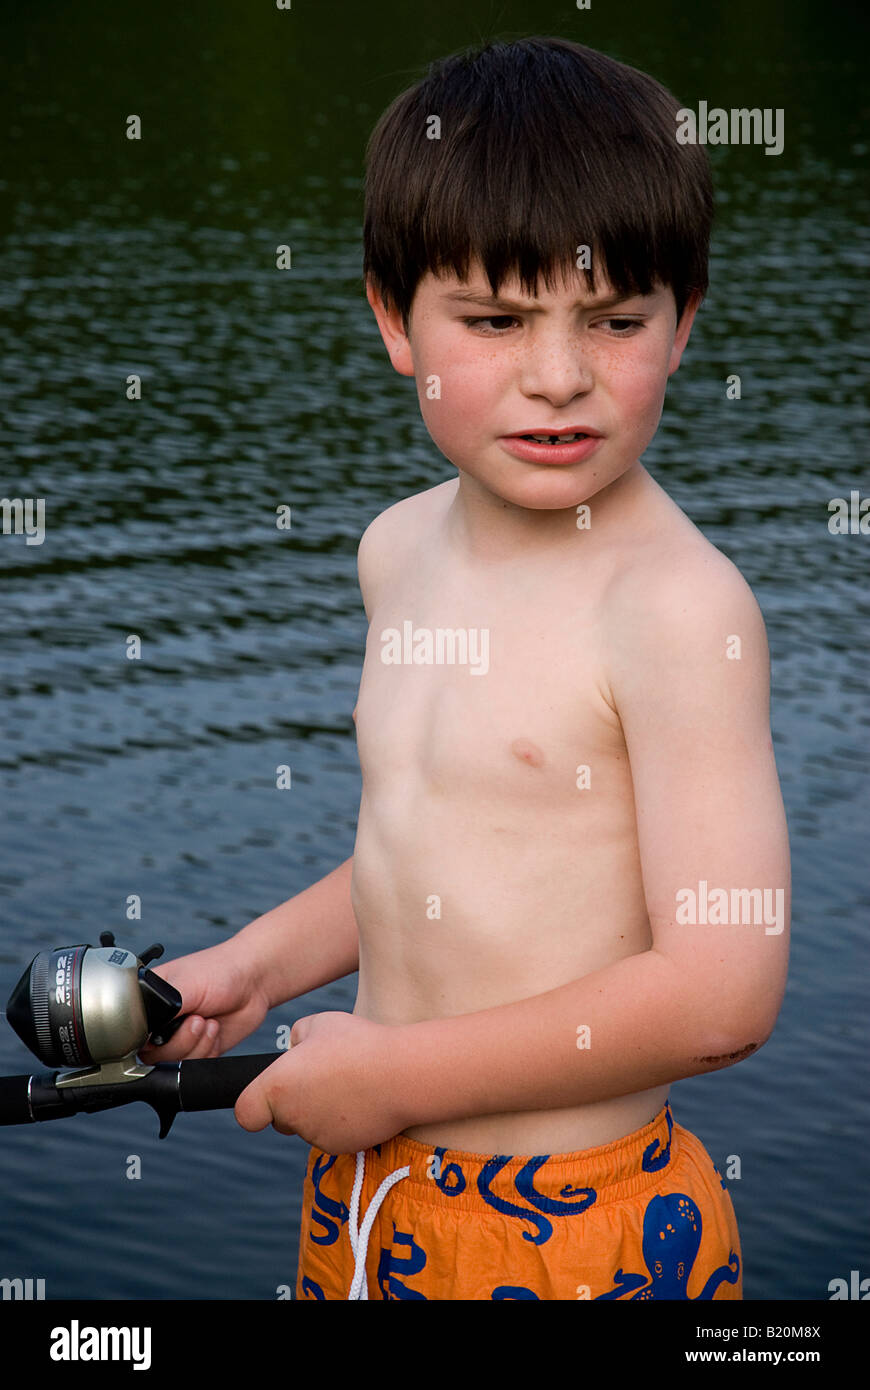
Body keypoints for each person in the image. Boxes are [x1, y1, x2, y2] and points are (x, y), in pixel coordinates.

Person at [141, 35, 790, 1301]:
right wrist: (251, 969)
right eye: (496, 321)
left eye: (614, 322)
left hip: (582, 1233)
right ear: (394, 319)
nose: (559, 377)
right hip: (370, 1204)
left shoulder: (676, 607)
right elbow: (429, 852)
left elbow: (723, 991)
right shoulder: (397, 549)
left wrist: (392, 1074)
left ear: (685, 321)